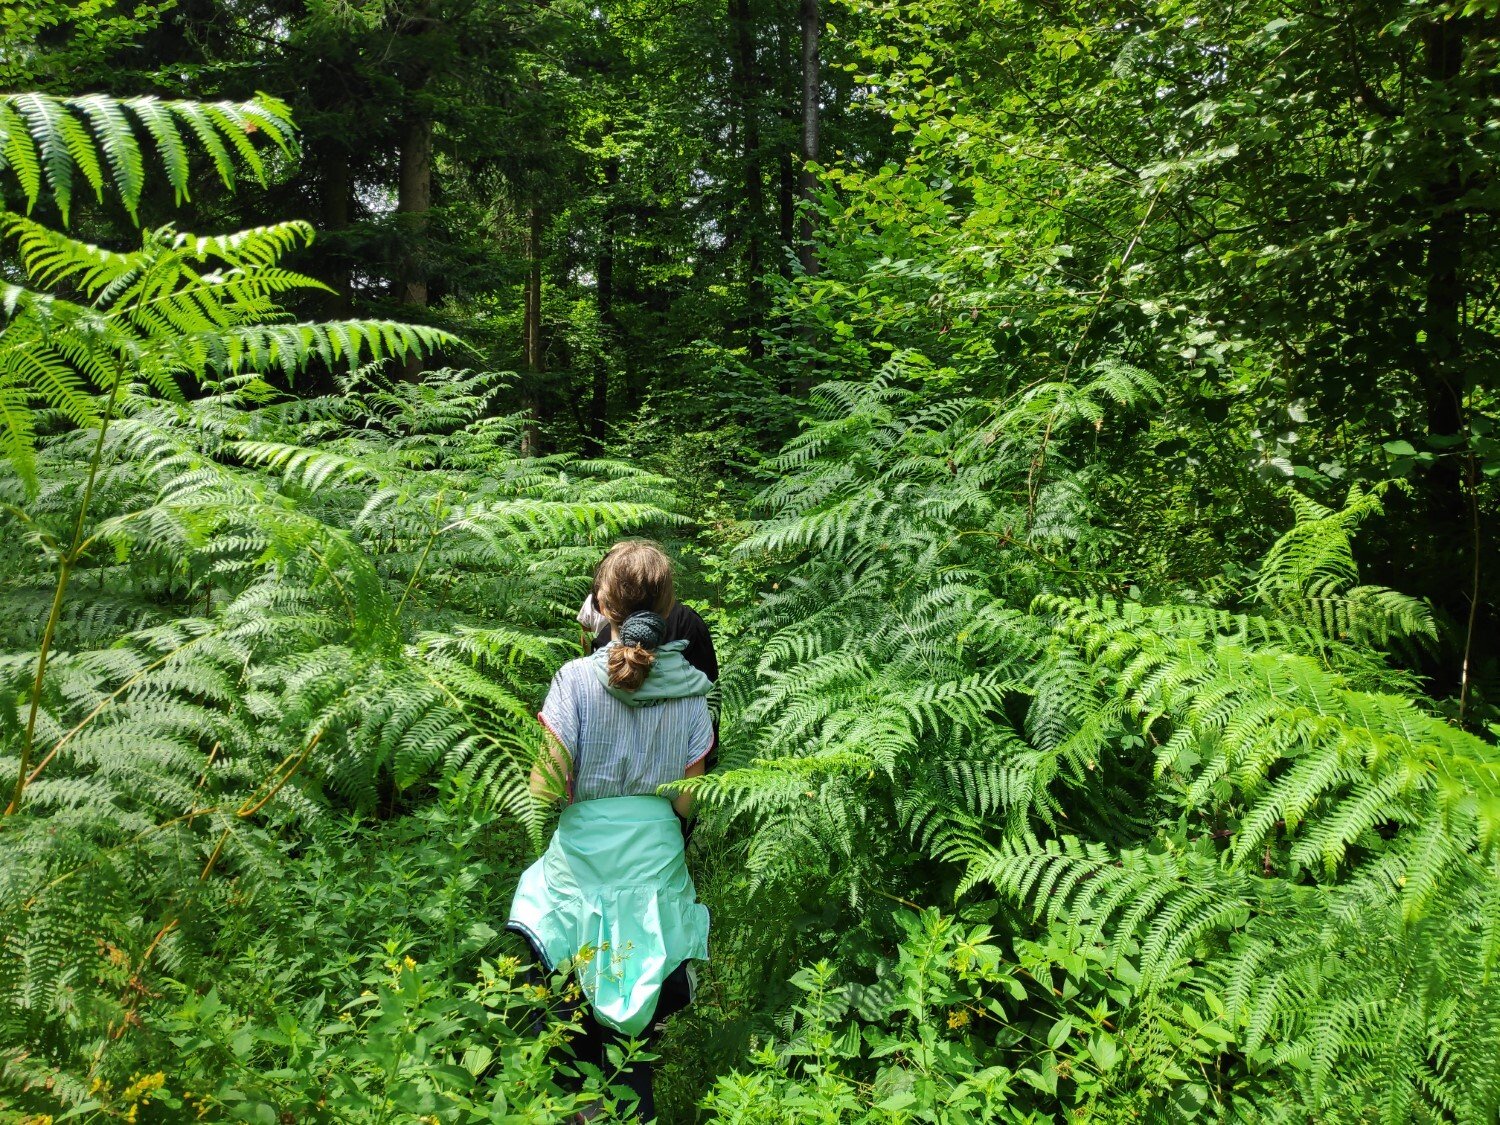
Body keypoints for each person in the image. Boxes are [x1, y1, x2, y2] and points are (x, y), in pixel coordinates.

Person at [508, 540, 715, 1121]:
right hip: (653, 881)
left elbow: (543, 790)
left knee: (573, 1038)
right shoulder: (694, 692)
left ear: (602, 602)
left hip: (579, 880)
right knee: (635, 1051)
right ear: (670, 604)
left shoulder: (573, 680)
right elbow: (686, 805)